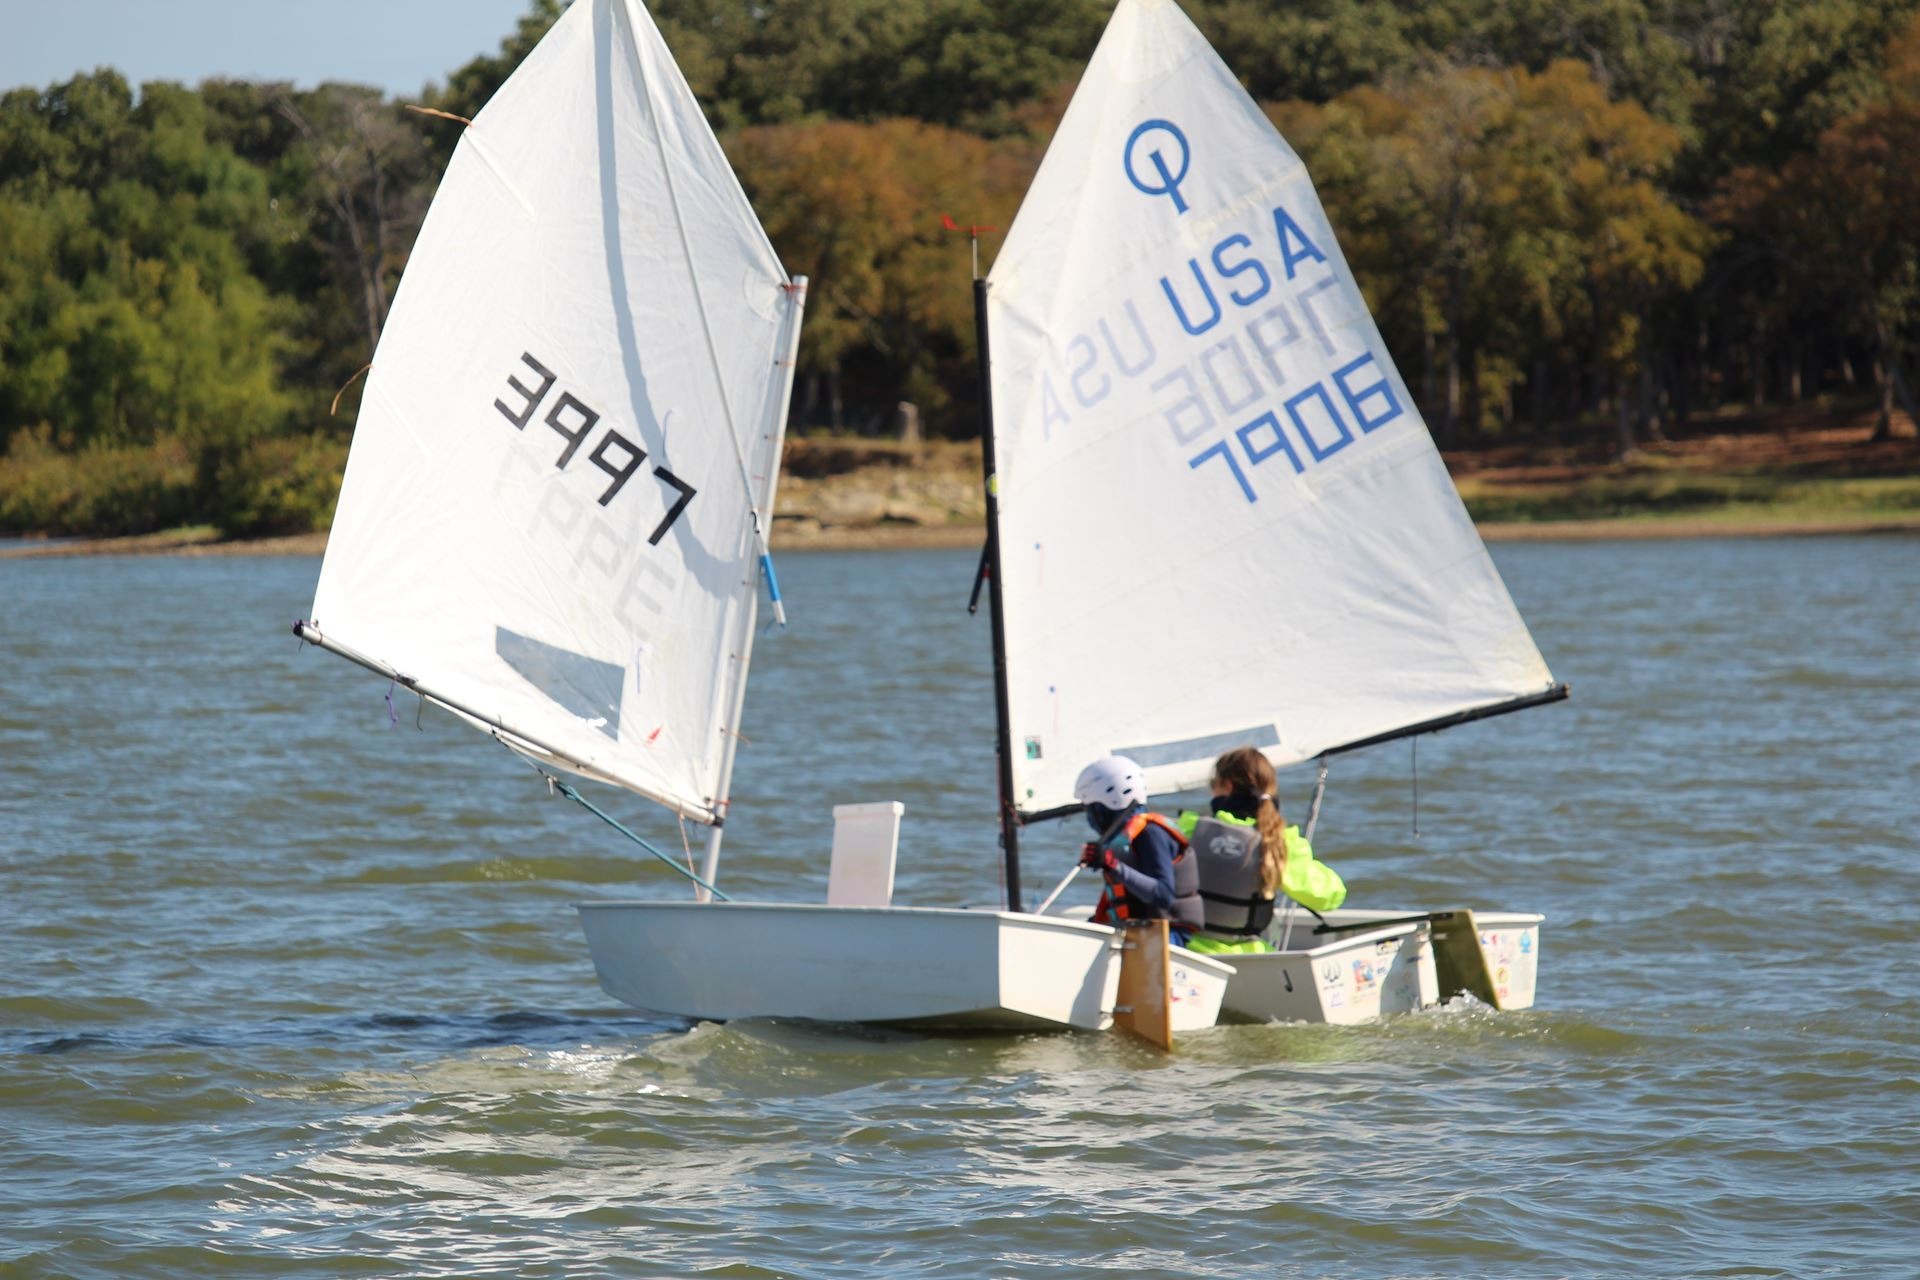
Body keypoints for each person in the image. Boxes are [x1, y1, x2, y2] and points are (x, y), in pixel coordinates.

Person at [1179, 746, 1345, 955]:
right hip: (1248, 960)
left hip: (1186, 953)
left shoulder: (1189, 830)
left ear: (1227, 786)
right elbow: (1330, 896)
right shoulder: (1279, 842)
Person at [1073, 754, 1205, 947]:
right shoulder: (1126, 838)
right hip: (1140, 932)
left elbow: (1163, 895)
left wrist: (1112, 865)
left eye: (1091, 809)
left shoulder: (1152, 834)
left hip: (1168, 938)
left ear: (1107, 805)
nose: (1090, 816)